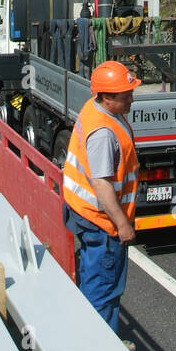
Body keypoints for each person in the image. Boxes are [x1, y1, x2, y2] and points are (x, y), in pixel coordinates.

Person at [62, 60, 141, 336]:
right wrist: (122, 224)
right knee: (104, 291)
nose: (131, 98)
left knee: (94, 279)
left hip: (83, 212)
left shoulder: (94, 108)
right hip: (102, 222)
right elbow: (102, 184)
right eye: (126, 95)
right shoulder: (104, 134)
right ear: (107, 98)